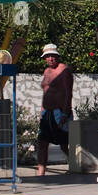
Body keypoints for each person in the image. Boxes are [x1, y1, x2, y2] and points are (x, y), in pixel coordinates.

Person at [36, 43, 73, 176]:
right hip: (47, 112)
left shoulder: (64, 70)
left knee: (65, 143)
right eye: (48, 56)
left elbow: (68, 92)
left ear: (57, 56)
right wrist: (41, 113)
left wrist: (65, 112)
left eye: (53, 56)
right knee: (42, 142)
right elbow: (46, 93)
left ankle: (74, 165)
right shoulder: (46, 71)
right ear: (45, 58)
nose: (51, 58)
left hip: (60, 111)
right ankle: (41, 172)